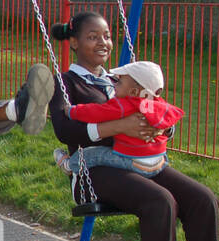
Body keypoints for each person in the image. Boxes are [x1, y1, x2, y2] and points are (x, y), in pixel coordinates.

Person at [48, 12, 219, 241]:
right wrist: (118, 127)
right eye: (93, 36)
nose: (103, 42)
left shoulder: (125, 77)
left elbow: (160, 109)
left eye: (107, 35)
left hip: (141, 161)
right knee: (161, 202)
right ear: (75, 41)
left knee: (203, 200)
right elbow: (66, 128)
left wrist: (162, 126)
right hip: (96, 172)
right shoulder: (64, 83)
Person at [54, 60, 183, 179]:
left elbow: (96, 112)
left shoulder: (123, 105)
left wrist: (73, 111)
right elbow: (172, 118)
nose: (115, 84)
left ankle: (69, 165)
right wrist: (163, 129)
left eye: (119, 82)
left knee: (93, 154)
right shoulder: (159, 105)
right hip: (159, 161)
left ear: (133, 92)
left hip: (132, 161)